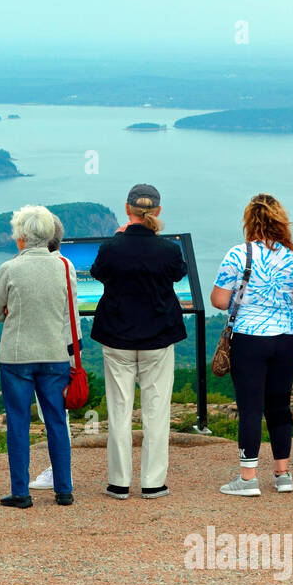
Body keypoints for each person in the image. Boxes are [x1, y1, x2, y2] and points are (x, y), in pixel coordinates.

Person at [89, 183, 187, 499]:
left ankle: (119, 482)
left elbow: (98, 273)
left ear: (127, 209)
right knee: (156, 410)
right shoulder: (168, 250)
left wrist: (120, 237)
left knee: (119, 409)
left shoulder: (111, 247)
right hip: (158, 338)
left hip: (117, 336)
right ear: (157, 211)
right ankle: (153, 482)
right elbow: (178, 273)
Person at [210, 195, 293, 496]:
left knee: (251, 406)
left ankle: (248, 478)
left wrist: (242, 300)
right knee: (279, 405)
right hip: (287, 338)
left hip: (249, 337)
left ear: (249, 221)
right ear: (281, 221)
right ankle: (283, 474)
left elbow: (218, 299)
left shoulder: (238, 255)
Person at [0, 205, 76, 508]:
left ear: (24, 236)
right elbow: (71, 316)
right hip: (55, 354)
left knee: (17, 421)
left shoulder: (10, 268)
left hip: (17, 355)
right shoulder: (66, 267)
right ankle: (64, 489)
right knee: (56, 420)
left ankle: (20, 492)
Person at [30, 215, 76, 491]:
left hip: (48, 351)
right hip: (64, 348)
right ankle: (60, 471)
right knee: (55, 413)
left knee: (54, 415)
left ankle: (60, 472)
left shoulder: (47, 265)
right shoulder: (65, 264)